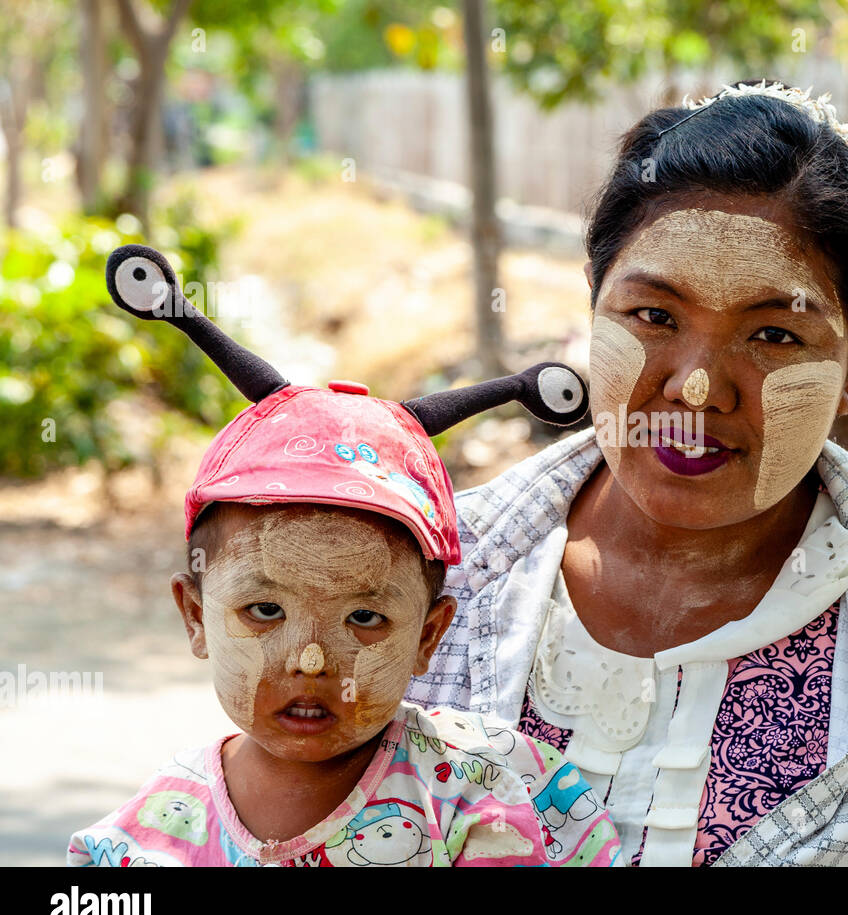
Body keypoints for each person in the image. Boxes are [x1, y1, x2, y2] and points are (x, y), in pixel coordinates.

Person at [407, 80, 848, 866]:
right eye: (654, 316)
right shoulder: (424, 572)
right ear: (594, 306)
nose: (696, 385)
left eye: (773, 335)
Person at [67, 244, 621, 867]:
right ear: (195, 615)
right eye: (264, 610)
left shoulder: (493, 792)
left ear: (429, 636)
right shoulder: (148, 837)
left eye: (364, 619)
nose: (310, 661)